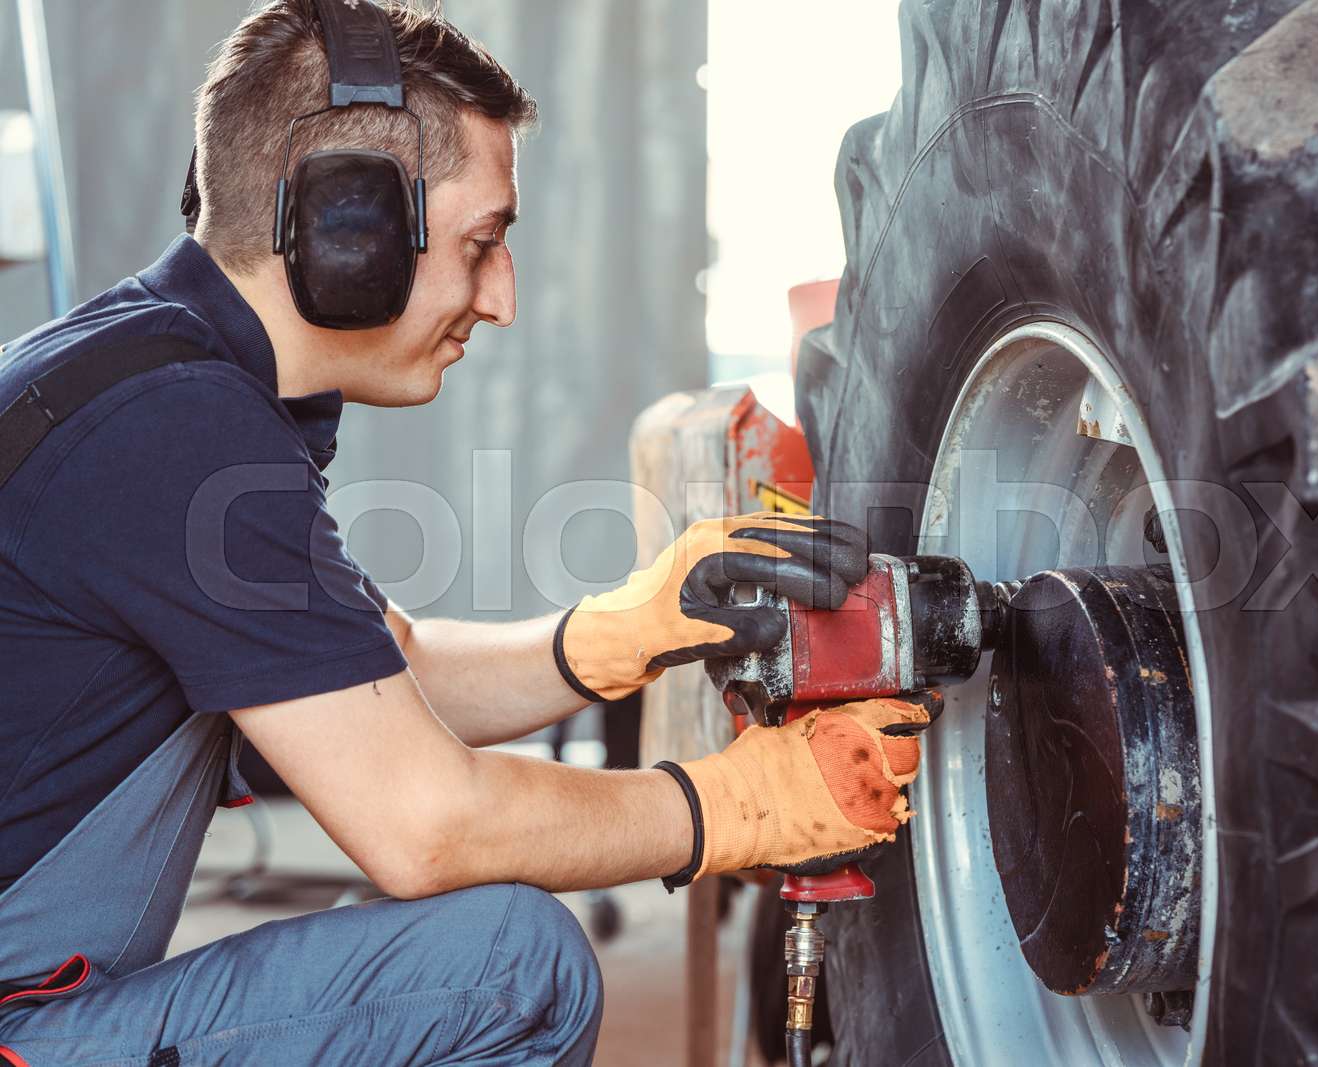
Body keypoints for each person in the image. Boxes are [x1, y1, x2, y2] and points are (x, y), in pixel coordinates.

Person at [0, 3, 926, 1064]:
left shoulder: (146, 376)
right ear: (350, 229)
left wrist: (624, 631)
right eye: (484, 243)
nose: (502, 300)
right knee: (506, 968)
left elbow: (380, 685)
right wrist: (733, 805)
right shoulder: (180, 431)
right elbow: (426, 825)